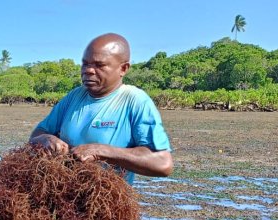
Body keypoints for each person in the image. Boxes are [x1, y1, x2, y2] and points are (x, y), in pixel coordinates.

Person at [29, 33, 173, 183]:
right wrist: (46, 139)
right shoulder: (74, 96)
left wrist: (101, 151)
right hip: (63, 198)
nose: (88, 70)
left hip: (105, 201)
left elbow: (163, 163)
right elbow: (37, 134)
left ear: (123, 69)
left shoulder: (135, 101)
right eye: (85, 64)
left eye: (99, 65)